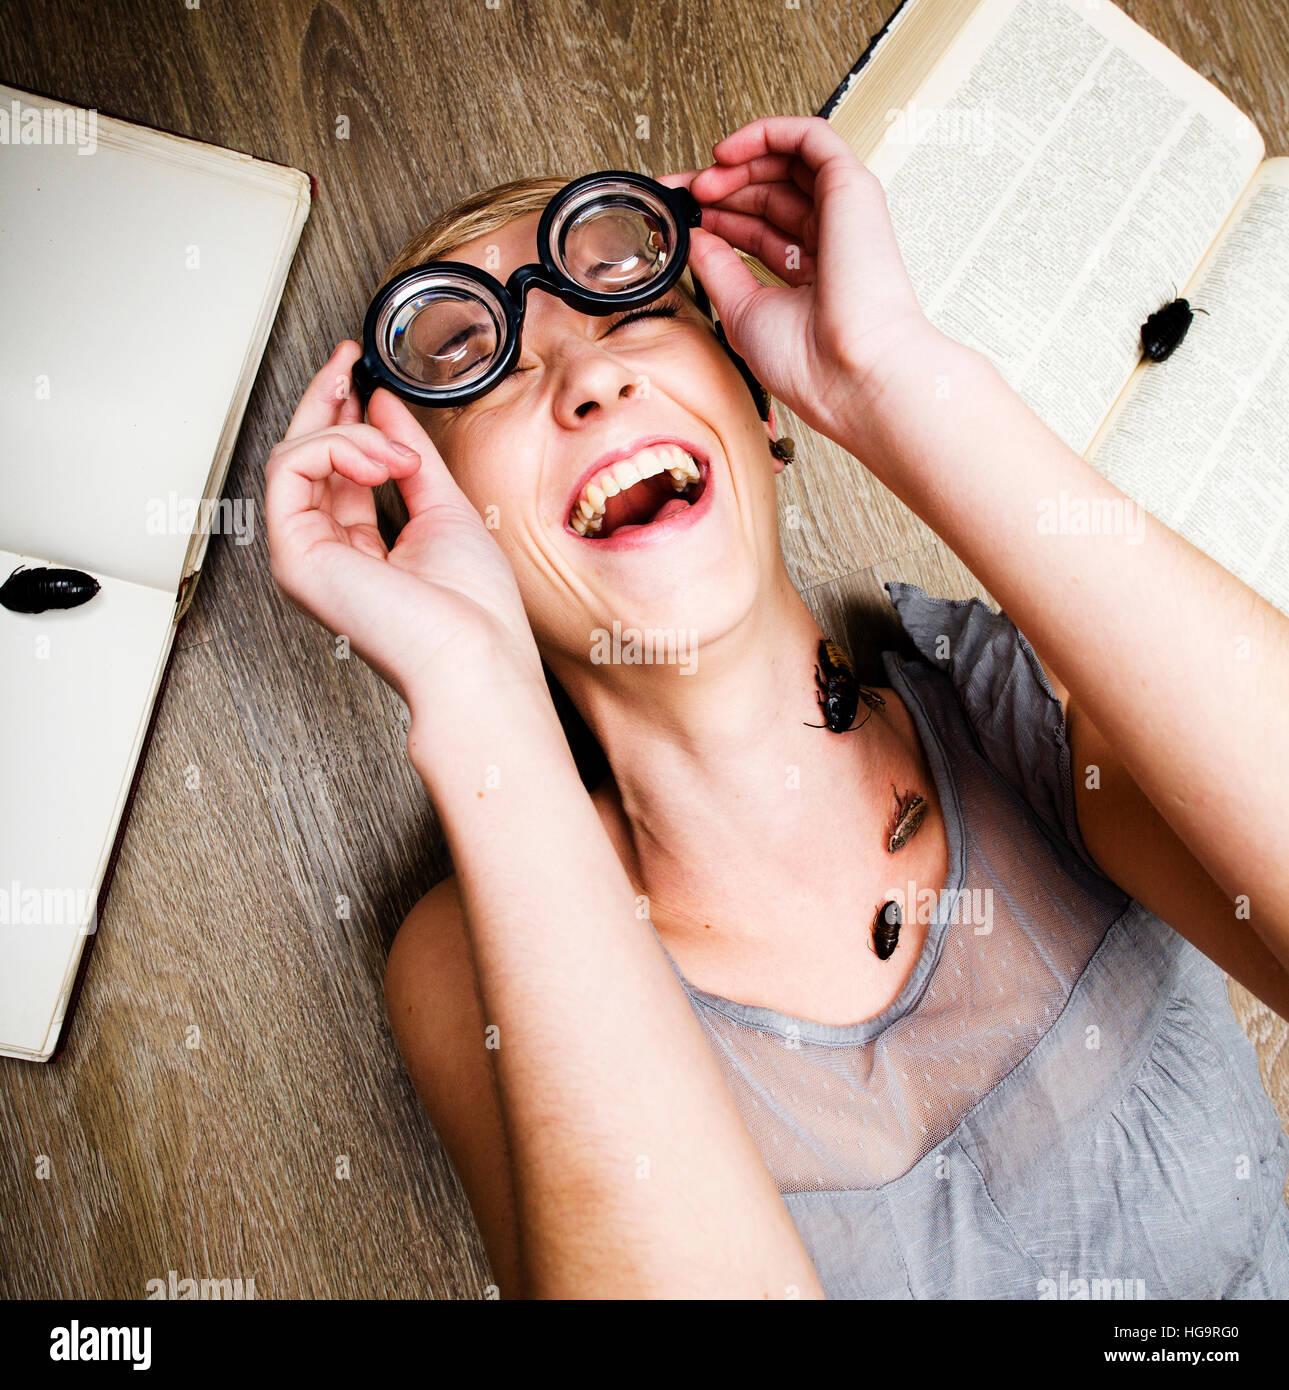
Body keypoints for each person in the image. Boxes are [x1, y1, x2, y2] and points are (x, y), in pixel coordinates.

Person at [266, 116, 1289, 1299]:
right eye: (475, 364)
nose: (590, 376)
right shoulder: (470, 961)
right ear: (433, 531)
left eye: (631, 309)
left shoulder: (1040, 712)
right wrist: (468, 688)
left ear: (757, 413)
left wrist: (895, 383)